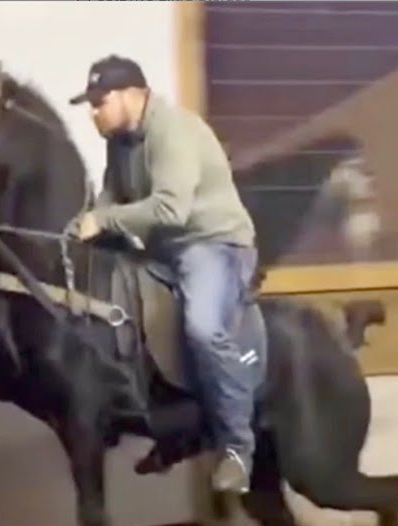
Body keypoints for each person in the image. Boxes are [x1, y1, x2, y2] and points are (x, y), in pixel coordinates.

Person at [68, 55, 261, 495]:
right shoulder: (119, 142)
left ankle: (237, 449)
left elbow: (171, 209)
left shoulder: (174, 130)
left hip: (212, 245)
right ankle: (175, 428)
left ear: (130, 95)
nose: (94, 112)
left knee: (203, 328)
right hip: (162, 251)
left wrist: (107, 220)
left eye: (100, 102)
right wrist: (85, 224)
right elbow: (111, 197)